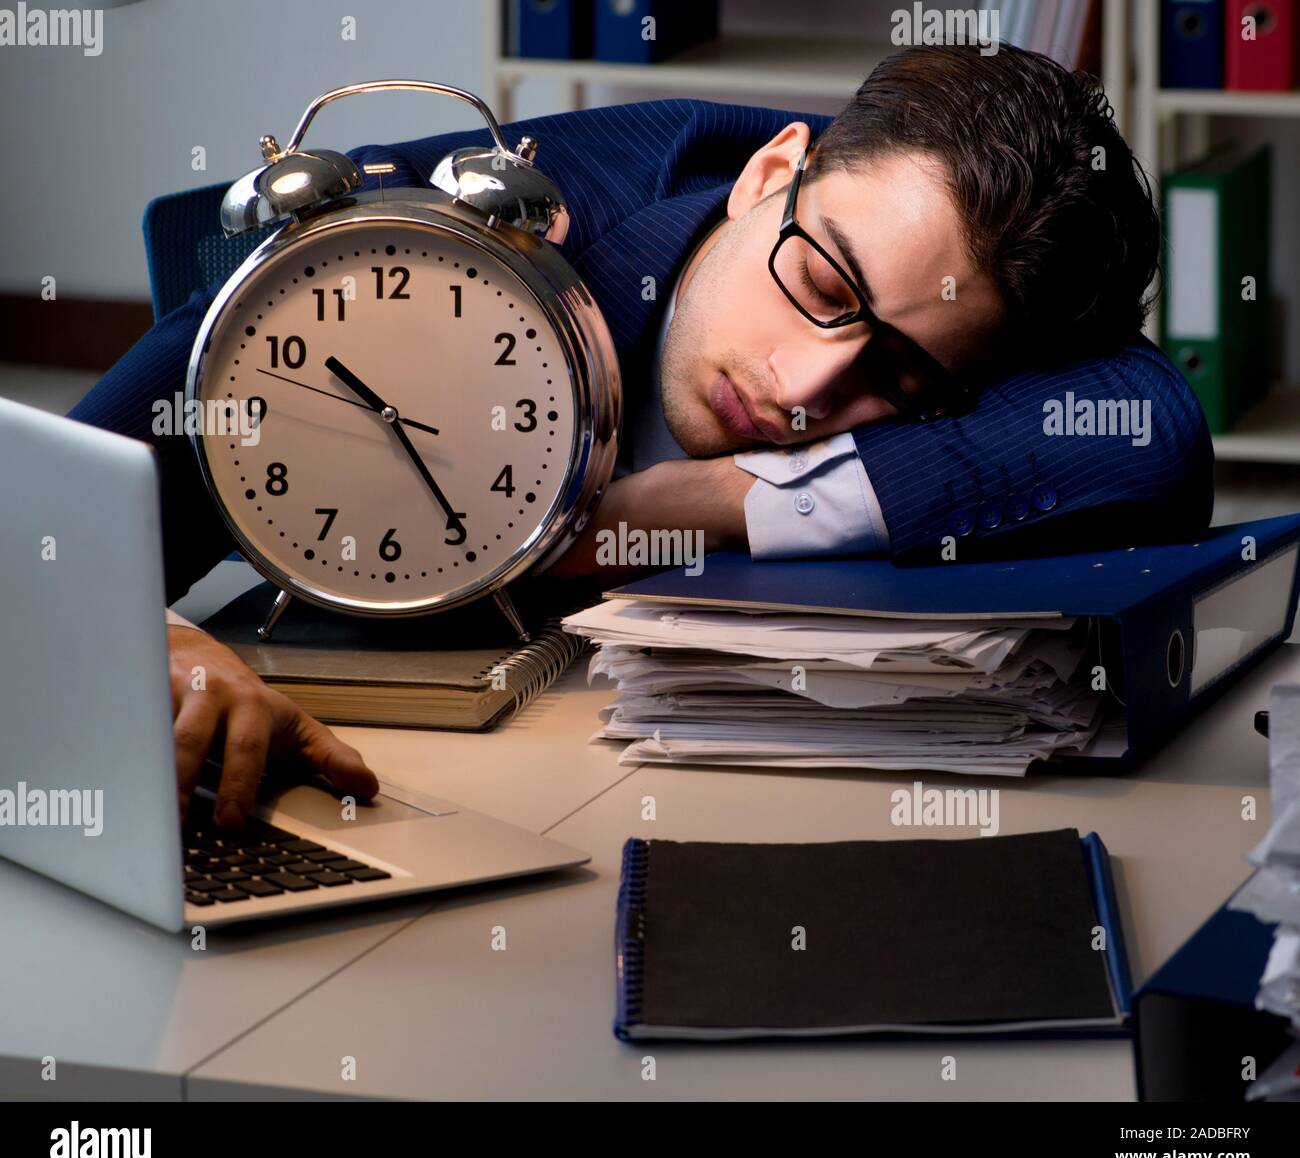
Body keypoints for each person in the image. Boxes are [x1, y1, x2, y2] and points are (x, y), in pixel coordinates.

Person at [69, 44, 1213, 827]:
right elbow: (54, 541)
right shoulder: (457, 244)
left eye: (902, 373)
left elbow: (1150, 437)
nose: (808, 387)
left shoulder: (962, 285)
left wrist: (718, 503)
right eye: (822, 280)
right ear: (772, 171)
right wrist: (155, 638)